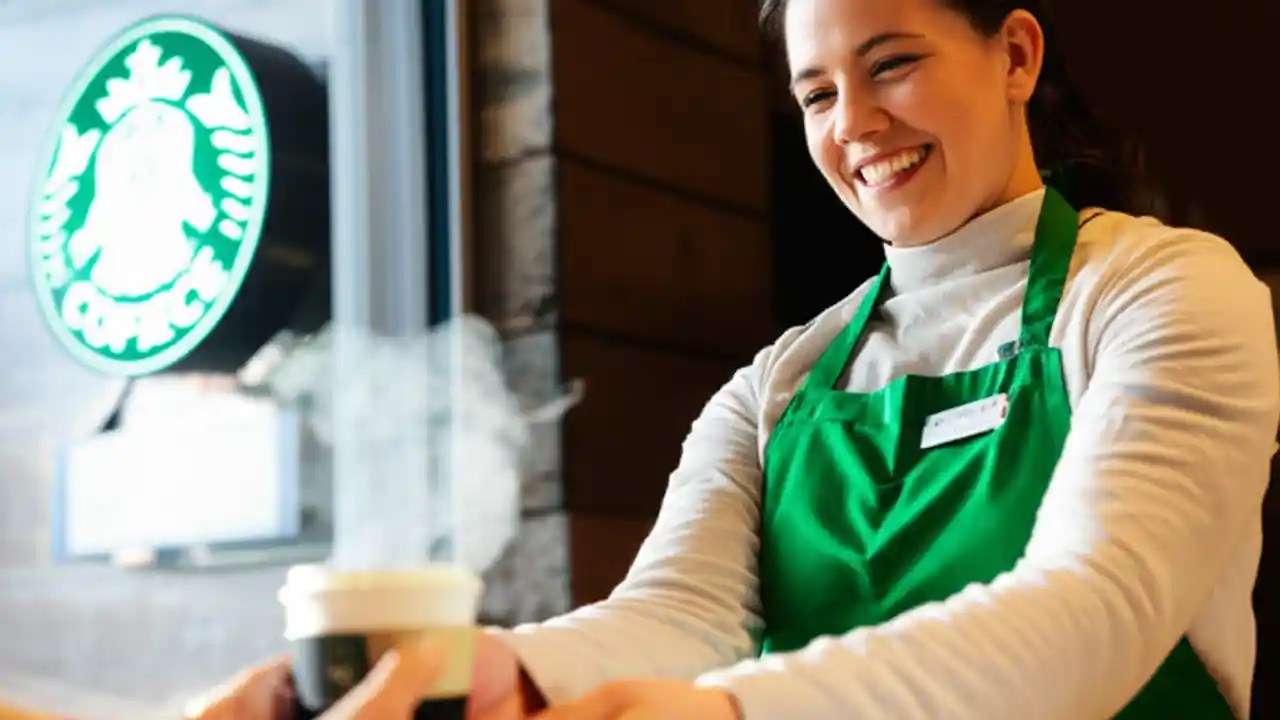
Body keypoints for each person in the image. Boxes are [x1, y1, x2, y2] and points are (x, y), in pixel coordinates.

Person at [195, 0, 1280, 717]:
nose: (853, 123)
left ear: (1014, 54)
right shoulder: (780, 381)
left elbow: (1095, 610)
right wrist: (491, 671)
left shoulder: (1159, 289)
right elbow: (680, 618)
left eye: (890, 64)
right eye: (814, 93)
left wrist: (732, 709)